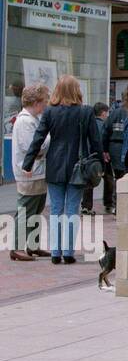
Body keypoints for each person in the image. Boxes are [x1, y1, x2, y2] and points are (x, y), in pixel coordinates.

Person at [21, 75, 100, 265]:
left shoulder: (49, 112)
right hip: (78, 167)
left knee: (56, 209)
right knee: (72, 209)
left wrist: (28, 163)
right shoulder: (86, 112)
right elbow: (95, 141)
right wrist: (100, 167)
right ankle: (68, 252)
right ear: (77, 90)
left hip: (55, 166)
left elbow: (38, 138)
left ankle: (55, 252)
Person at [9, 84, 51, 262]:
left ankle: (32, 245)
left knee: (36, 209)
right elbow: (33, 148)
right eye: (44, 101)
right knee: (26, 209)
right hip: (30, 172)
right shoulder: (25, 121)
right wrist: (49, 138)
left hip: (37, 172)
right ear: (36, 101)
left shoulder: (33, 119)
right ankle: (17, 247)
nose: (46, 104)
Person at [80, 102, 113, 215]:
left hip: (88, 156)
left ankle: (86, 205)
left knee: (89, 181)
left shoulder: (88, 123)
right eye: (107, 113)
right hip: (101, 156)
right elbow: (103, 140)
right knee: (108, 178)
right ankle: (109, 203)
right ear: (103, 113)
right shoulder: (103, 125)